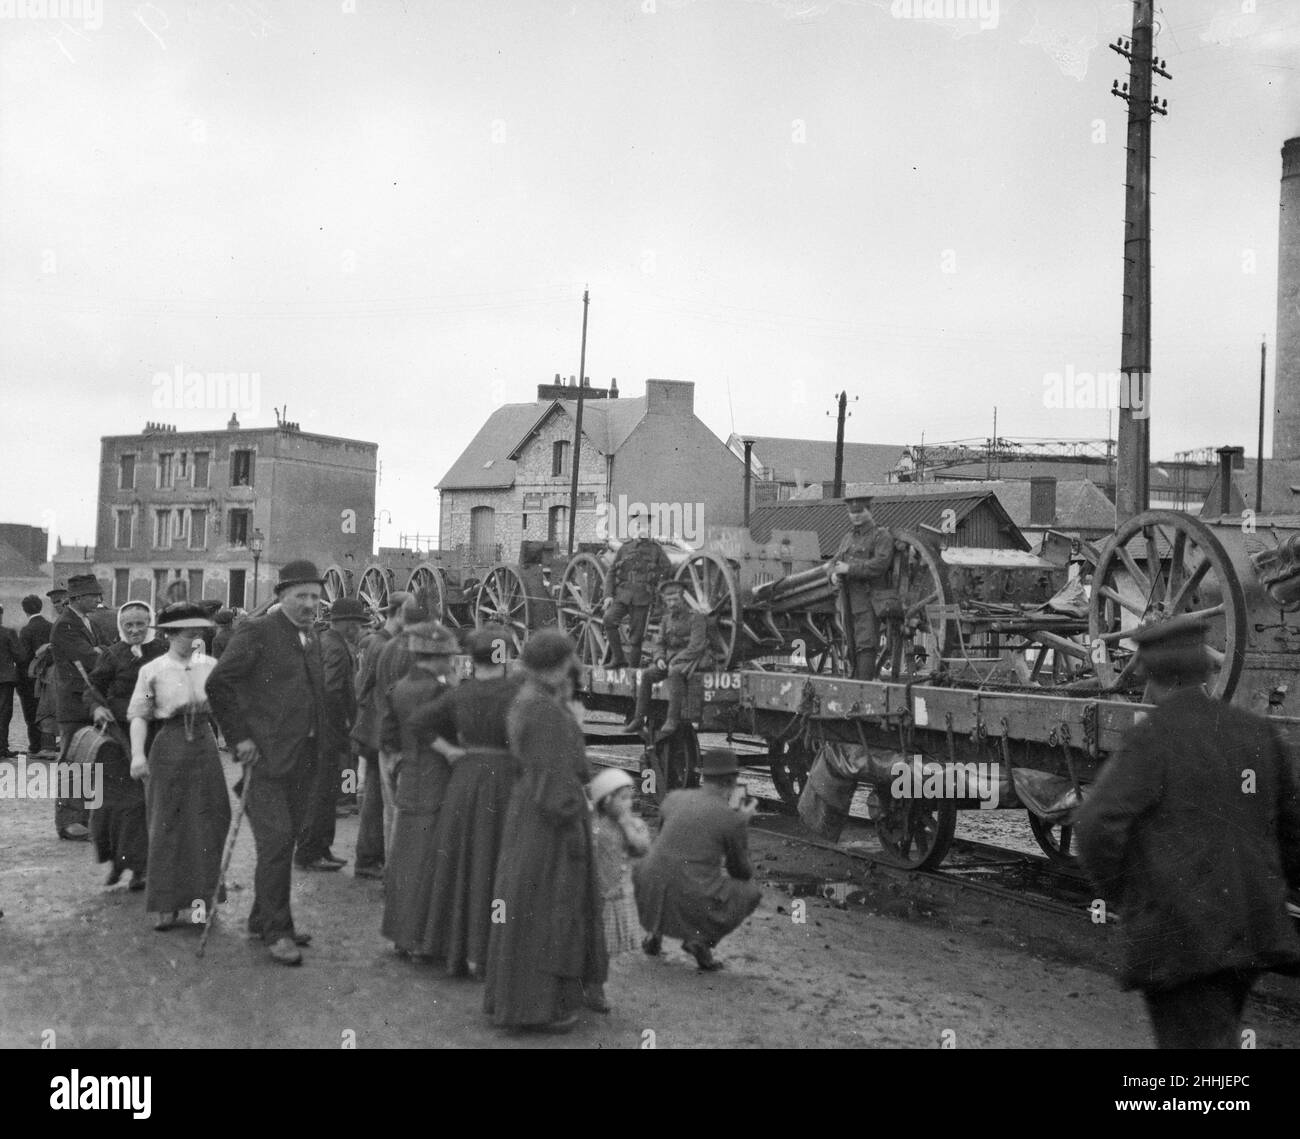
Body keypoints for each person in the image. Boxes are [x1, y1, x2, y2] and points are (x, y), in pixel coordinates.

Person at [1075, 615, 1300, 1049]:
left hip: (1182, 935)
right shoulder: (1256, 731)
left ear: (1146, 674)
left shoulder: (1153, 738)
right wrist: (1270, 888)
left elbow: (1095, 825)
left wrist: (1131, 898)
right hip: (1251, 931)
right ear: (1204, 669)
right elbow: (1293, 832)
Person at [483, 630, 608, 1033]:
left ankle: (523, 1000)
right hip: (549, 824)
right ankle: (533, 1008)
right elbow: (554, 783)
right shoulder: (545, 713)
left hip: (530, 816)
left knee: (526, 906)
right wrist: (575, 815)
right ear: (558, 667)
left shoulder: (530, 701)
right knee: (546, 911)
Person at [206, 560, 327, 966]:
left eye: (315, 596)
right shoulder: (257, 631)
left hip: (304, 758)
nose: (310, 603)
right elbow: (219, 683)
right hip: (266, 759)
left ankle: (265, 919)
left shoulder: (311, 637)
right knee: (276, 843)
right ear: (280, 596)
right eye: (301, 596)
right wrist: (239, 737)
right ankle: (276, 932)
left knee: (285, 840)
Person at [410, 625, 525, 978]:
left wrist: (449, 751)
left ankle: (455, 948)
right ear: (504, 657)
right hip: (505, 780)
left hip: (466, 778)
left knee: (461, 862)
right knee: (496, 863)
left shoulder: (460, 693)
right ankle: (490, 949)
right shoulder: (517, 692)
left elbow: (418, 722)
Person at [127, 603, 232, 932]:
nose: (196, 640)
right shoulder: (152, 671)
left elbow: (228, 710)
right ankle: (166, 907)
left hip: (204, 745)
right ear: (170, 635)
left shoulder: (211, 666)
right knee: (165, 823)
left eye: (200, 634)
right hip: (168, 746)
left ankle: (201, 905)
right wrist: (137, 756)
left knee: (208, 822)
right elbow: (139, 715)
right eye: (189, 635)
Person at [634, 748, 762, 971]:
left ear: (704, 776)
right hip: (686, 894)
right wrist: (742, 824)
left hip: (646, 887)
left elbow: (666, 846)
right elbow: (741, 872)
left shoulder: (673, 798)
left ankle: (654, 934)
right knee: (750, 892)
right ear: (732, 781)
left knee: (667, 868)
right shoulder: (730, 817)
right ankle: (700, 941)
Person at [379, 622, 459, 958]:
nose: (453, 663)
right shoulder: (440, 693)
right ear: (437, 658)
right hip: (436, 775)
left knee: (405, 854)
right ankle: (423, 940)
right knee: (430, 857)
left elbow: (387, 736)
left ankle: (401, 934)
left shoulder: (398, 688)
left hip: (408, 775)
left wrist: (398, 763)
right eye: (450, 657)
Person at [85, 600, 165, 890]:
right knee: (116, 803)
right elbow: (92, 689)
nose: (135, 630)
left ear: (150, 624)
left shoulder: (163, 652)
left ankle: (141, 868)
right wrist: (96, 708)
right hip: (119, 735)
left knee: (142, 803)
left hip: (153, 734)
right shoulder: (112, 654)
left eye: (140, 624)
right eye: (129, 625)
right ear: (121, 626)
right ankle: (119, 863)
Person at [295, 597, 368, 869]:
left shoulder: (323, 640)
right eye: (357, 623)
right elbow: (331, 691)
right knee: (322, 793)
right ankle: (310, 853)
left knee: (324, 793)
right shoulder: (336, 648)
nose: (358, 629)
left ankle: (321, 849)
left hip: (320, 731)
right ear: (348, 624)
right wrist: (344, 724)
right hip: (330, 731)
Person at [349, 591, 412, 880]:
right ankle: (369, 858)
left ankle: (368, 856)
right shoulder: (381, 645)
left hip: (376, 728)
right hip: (378, 728)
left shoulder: (379, 642)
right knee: (376, 797)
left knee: (374, 794)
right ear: (398, 614)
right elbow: (363, 687)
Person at [50, 574, 107, 839]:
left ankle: (82, 818)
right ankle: (69, 821)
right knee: (73, 760)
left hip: (85, 700)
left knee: (89, 760)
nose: (99, 600)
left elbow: (101, 650)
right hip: (74, 703)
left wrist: (100, 652)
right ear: (78, 598)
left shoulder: (84, 622)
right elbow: (88, 657)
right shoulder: (66, 625)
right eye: (94, 596)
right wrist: (102, 654)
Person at [627, 578, 713, 742]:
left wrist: (675, 660)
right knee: (647, 674)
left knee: (674, 673)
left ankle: (672, 719)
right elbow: (659, 643)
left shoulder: (696, 618)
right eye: (669, 600)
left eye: (675, 599)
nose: (672, 603)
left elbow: (696, 646)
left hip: (691, 660)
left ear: (683, 599)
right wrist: (659, 658)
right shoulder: (666, 620)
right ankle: (638, 719)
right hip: (669, 660)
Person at [829, 496, 896, 680]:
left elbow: (880, 565)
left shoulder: (881, 536)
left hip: (870, 600)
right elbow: (834, 562)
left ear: (869, 511)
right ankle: (855, 682)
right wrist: (833, 574)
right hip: (847, 600)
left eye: (860, 512)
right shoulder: (848, 538)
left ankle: (863, 687)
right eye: (852, 512)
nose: (856, 516)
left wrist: (850, 568)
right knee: (850, 643)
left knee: (866, 645)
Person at [589, 767, 652, 965]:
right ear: (606, 801)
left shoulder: (635, 825)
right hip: (602, 893)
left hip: (622, 894)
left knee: (620, 940)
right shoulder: (598, 828)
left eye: (630, 798)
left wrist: (626, 825)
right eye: (623, 799)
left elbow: (642, 848)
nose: (628, 804)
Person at [601, 510, 672, 669]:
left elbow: (667, 570)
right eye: (639, 525)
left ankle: (633, 670)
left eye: (645, 526)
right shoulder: (625, 548)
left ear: (649, 528)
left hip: (643, 597)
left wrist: (656, 585)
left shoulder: (656, 550)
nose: (642, 528)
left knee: (636, 637)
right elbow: (611, 572)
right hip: (623, 595)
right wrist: (608, 596)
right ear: (634, 527)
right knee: (609, 619)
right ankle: (618, 658)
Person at [16, 595, 51, 755]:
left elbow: (22, 657)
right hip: (48, 676)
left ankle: (35, 746)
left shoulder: (26, 630)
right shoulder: (51, 626)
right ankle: (47, 745)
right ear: (40, 607)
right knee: (46, 711)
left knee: (30, 713)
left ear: (24, 610)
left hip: (28, 679)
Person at [0, 606, 23, 759]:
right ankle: (2, 748)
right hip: (4, 680)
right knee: (3, 714)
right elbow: (20, 656)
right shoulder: (8, 633)